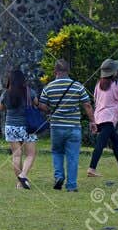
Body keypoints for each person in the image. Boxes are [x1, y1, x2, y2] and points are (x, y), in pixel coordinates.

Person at [37, 59, 93, 192]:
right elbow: (87, 105)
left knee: (57, 152)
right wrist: (93, 121)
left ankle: (59, 176)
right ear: (68, 71)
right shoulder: (77, 86)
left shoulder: (49, 87)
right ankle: (72, 186)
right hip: (74, 126)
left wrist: (50, 110)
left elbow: (42, 105)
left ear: (55, 71)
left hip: (56, 126)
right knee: (72, 156)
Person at [0, 66, 38, 189]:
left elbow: (0, 108)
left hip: (10, 127)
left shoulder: (6, 93)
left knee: (16, 155)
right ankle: (23, 175)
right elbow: (36, 103)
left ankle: (20, 183)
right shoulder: (29, 92)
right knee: (30, 154)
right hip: (27, 127)